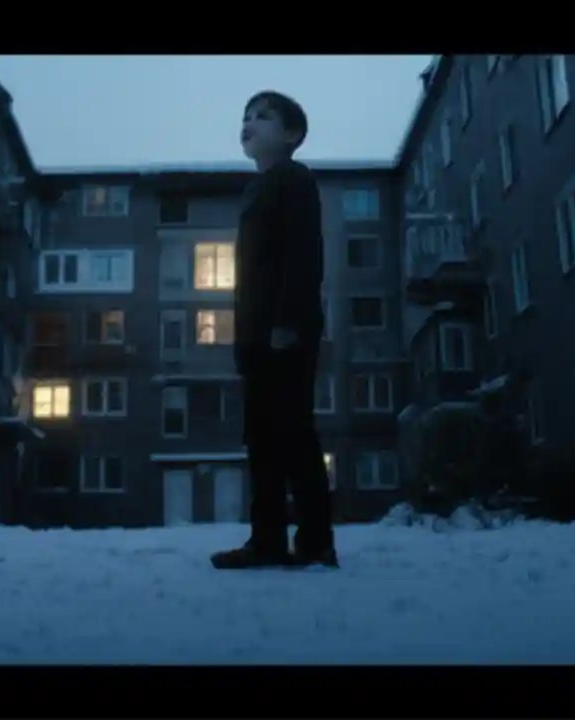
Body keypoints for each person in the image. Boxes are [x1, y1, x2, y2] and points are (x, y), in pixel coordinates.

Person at [210, 91, 337, 570]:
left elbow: (303, 255)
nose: (249, 123)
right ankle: (266, 540)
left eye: (263, 116)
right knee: (261, 438)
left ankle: (315, 542)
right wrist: (245, 337)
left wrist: (286, 321)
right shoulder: (256, 189)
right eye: (246, 116)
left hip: (286, 330)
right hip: (257, 334)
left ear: (291, 134)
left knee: (293, 433)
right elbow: (252, 274)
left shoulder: (293, 179)